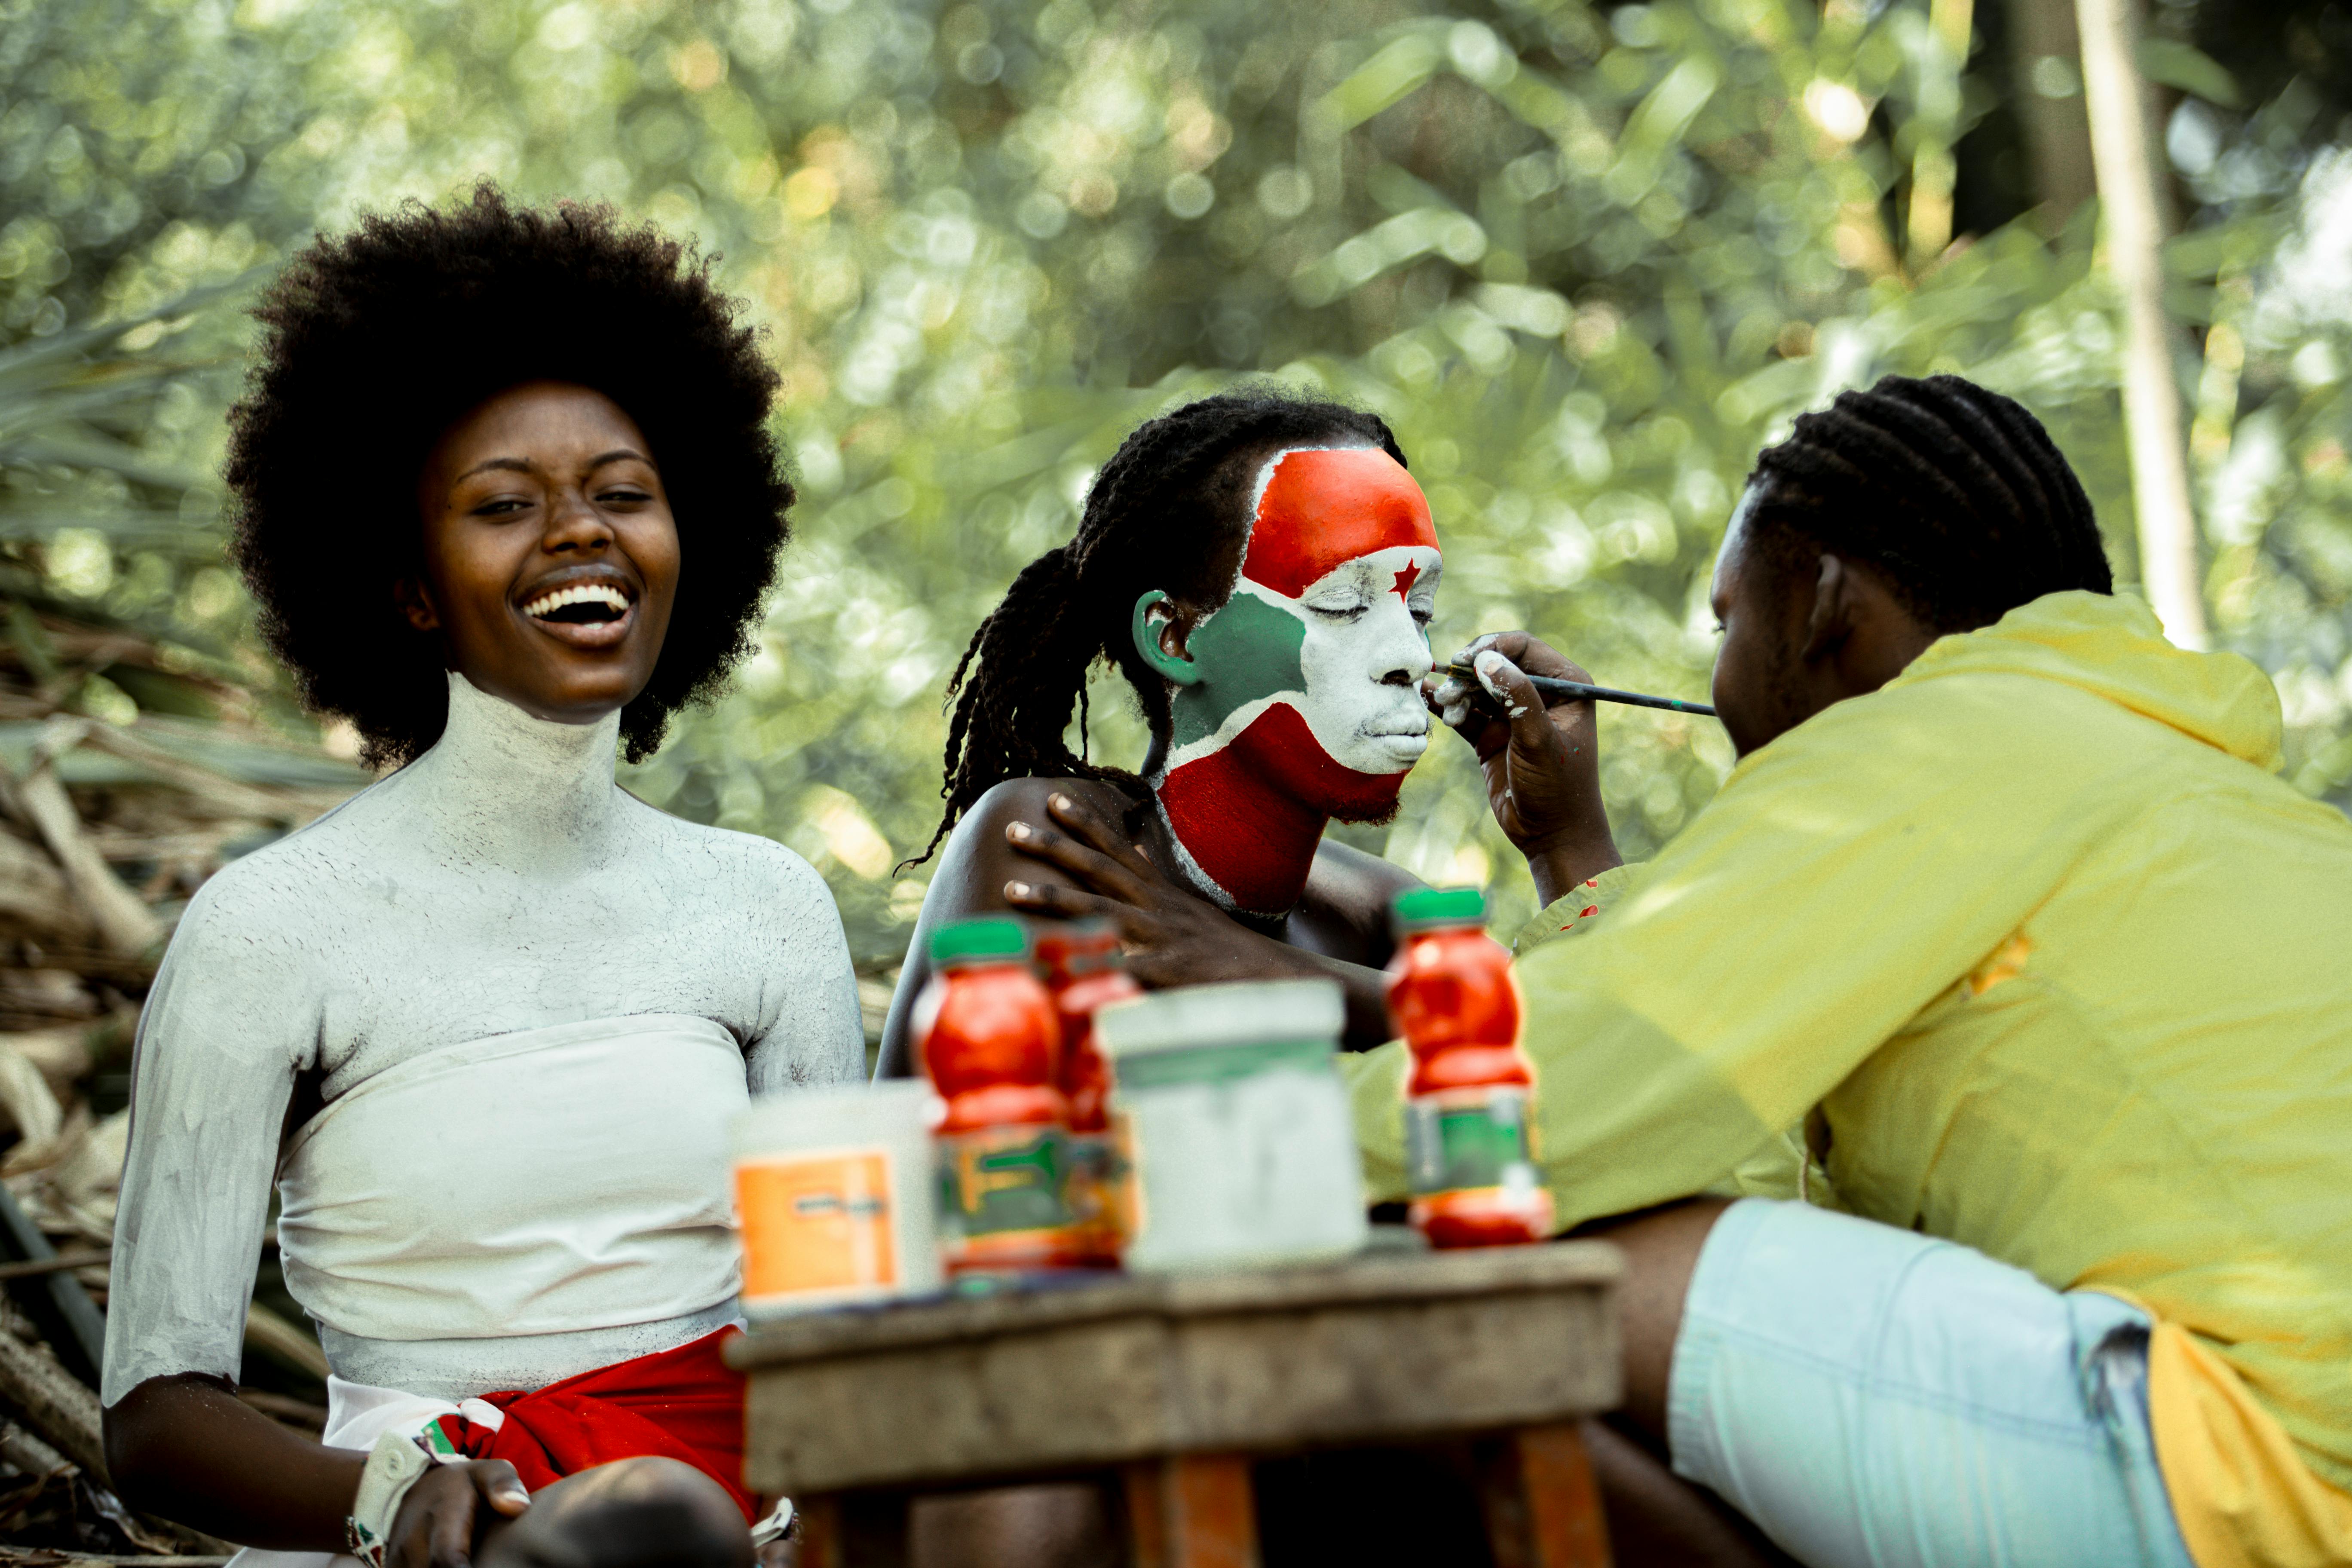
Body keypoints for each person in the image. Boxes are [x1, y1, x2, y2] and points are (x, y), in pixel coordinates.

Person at [1354, 374, 2352, 1566]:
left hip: (2263, 1476)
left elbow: (1525, 1108)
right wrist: (1574, 849)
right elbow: (1751, 1185)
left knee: (1502, 1254)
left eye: (1728, 626)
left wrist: (1174, 1150)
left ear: (1823, 600)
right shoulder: (2162, 770)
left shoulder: (1936, 750)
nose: (1723, 681)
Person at [101, 189, 865, 1567]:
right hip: (451, 1538)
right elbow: (156, 1419)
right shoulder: (271, 931)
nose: (580, 532)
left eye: (624, 495)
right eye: (507, 506)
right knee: (651, 1527)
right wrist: (384, 1499)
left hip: (758, 1516)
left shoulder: (767, 908)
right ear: (406, 586)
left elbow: (843, 1329)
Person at [875, 386, 1578, 1072]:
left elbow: (1589, 1063)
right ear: (1177, 638)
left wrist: (1561, 839)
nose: (1412, 656)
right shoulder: (1060, 850)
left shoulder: (1378, 913)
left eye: (1417, 609)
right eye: (1341, 603)